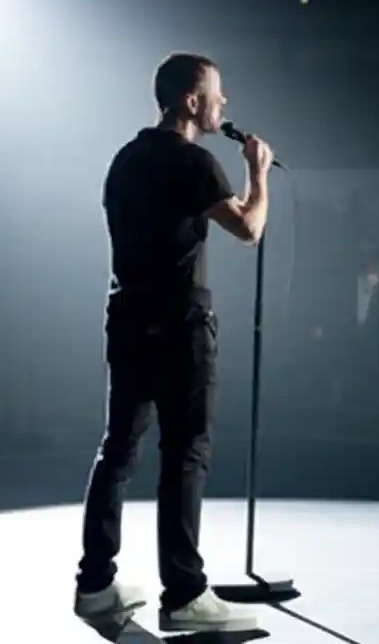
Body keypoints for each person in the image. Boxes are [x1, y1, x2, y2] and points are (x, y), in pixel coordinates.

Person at [72, 52, 273, 632]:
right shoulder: (198, 163)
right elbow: (249, 228)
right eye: (217, 93)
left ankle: (95, 584)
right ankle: (184, 593)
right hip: (181, 324)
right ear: (191, 100)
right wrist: (258, 171)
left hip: (129, 316)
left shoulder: (124, 160)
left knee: (118, 450)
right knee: (185, 456)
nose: (224, 103)